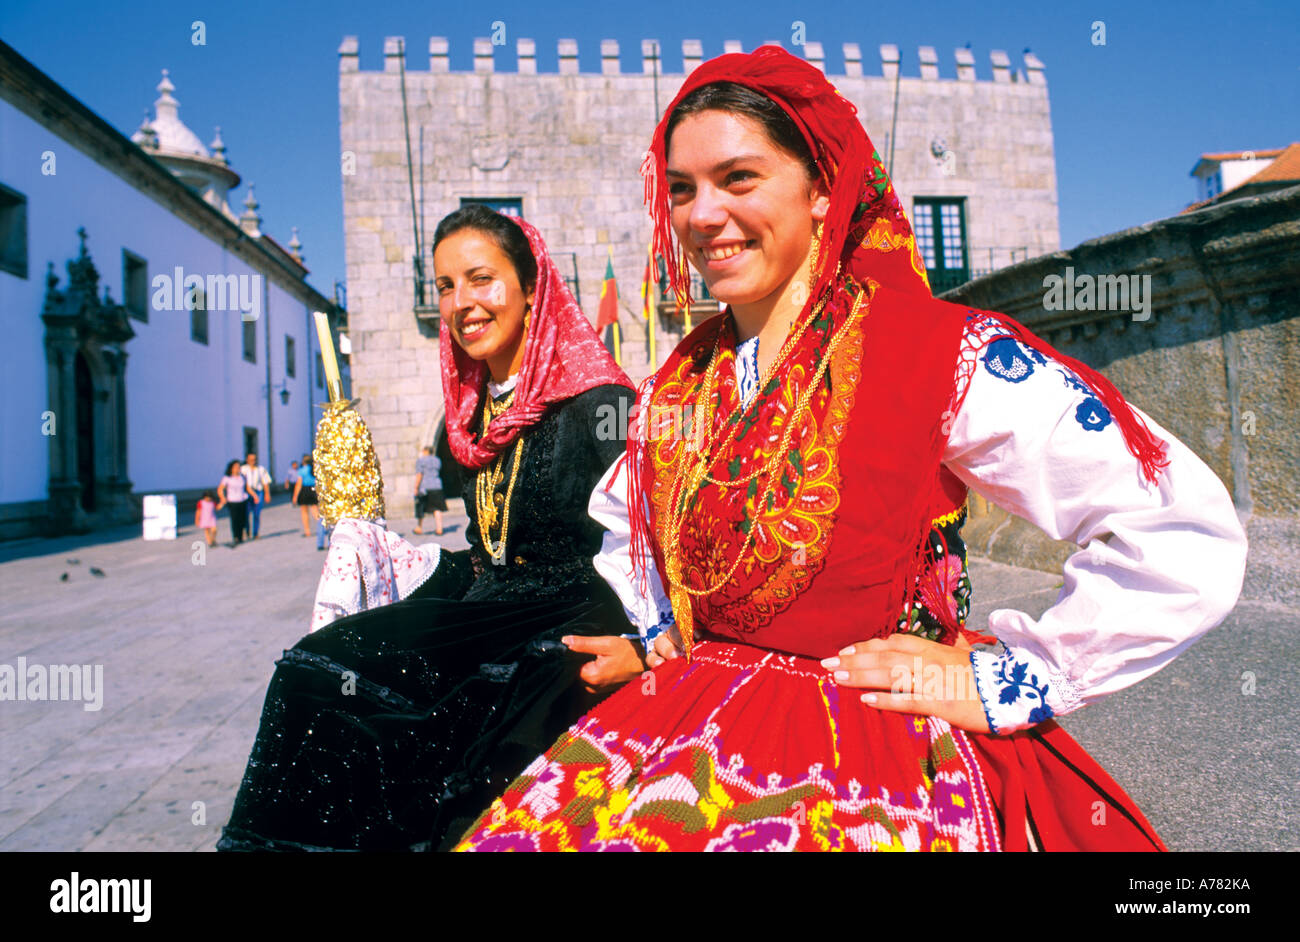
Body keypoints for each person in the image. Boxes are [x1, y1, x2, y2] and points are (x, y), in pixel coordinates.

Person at [453, 47, 1248, 852]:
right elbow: (631, 522)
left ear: (821, 190)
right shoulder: (677, 383)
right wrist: (661, 631)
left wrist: (1007, 676)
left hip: (862, 741)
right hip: (679, 722)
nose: (701, 215)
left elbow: (1177, 532)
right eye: (683, 188)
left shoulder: (939, 351)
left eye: (739, 178)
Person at [219, 206, 644, 852]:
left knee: (457, 752)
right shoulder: (471, 425)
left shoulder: (603, 405)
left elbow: (652, 540)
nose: (461, 302)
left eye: (480, 278)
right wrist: (387, 551)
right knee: (316, 672)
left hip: (570, 617)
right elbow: (486, 547)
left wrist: (640, 643)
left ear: (531, 287)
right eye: (446, 286)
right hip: (488, 607)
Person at [217, 459, 255, 547]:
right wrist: (223, 498)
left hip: (242, 500)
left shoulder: (242, 477)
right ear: (231, 468)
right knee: (235, 520)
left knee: (243, 519)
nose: (237, 469)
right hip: (232, 501)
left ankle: (241, 536)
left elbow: (247, 488)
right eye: (235, 467)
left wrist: (254, 496)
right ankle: (236, 537)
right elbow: (220, 489)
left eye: (239, 467)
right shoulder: (227, 478)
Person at [413, 445, 445, 536]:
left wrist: (416, 487)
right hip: (437, 486)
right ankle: (439, 528)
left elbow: (419, 474)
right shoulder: (437, 460)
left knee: (421, 506)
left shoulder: (421, 460)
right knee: (437, 508)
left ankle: (419, 527)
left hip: (425, 487)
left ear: (426, 451)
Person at [242, 453, 272, 540]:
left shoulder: (261, 469)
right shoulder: (243, 469)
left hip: (258, 491)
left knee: (257, 514)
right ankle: (247, 531)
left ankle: (256, 533)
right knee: (246, 514)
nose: (253, 461)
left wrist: (267, 494)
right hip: (246, 492)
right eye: (250, 459)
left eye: (254, 459)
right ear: (247, 460)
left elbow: (265, 482)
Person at [292, 457, 319, 539]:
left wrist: (295, 496)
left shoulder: (302, 470)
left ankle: (307, 531)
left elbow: (299, 483)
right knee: (315, 510)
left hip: (305, 490)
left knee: (304, 512)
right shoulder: (314, 469)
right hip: (313, 489)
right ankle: (322, 526)